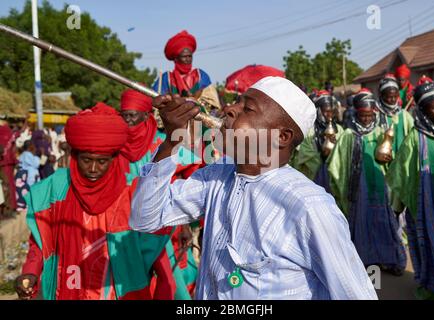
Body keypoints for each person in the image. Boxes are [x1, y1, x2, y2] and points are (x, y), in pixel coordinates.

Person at [130, 76, 377, 300]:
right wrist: (172, 142)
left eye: (247, 109)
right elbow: (145, 218)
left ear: (282, 137)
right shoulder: (217, 176)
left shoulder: (308, 207)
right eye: (236, 102)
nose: (228, 110)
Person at [15, 103, 175, 300]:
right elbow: (41, 238)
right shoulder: (56, 189)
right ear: (74, 157)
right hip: (68, 289)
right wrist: (31, 271)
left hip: (118, 291)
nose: (92, 169)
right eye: (86, 160)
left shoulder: (131, 193)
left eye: (101, 162)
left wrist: (165, 286)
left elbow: (155, 250)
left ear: (114, 159)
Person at [120, 88, 197, 299]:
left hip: (165, 228)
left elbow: (186, 179)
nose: (127, 120)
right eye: (123, 115)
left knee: (171, 282)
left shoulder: (165, 142)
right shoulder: (116, 144)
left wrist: (184, 227)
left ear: (146, 115)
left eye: (132, 115)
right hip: (125, 229)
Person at [327, 92, 406, 276]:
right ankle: (364, 261)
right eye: (363, 115)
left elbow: (390, 159)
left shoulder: (381, 132)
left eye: (370, 115)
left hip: (379, 185)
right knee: (361, 221)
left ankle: (389, 259)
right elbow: (336, 164)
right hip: (358, 189)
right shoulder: (348, 135)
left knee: (384, 221)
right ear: (356, 113)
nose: (366, 118)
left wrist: (389, 155)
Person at [386, 80, 434, 300]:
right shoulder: (415, 138)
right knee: (432, 251)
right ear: (422, 110)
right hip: (427, 208)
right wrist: (397, 206)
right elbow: (401, 175)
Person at [290, 90, 344, 193]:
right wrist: (322, 155)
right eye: (326, 111)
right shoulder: (309, 130)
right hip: (312, 179)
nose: (330, 115)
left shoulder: (339, 130)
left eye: (332, 112)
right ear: (318, 110)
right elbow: (304, 155)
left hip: (334, 179)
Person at [152, 30, 211, 98]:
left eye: (190, 56)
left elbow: (210, 99)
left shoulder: (200, 75)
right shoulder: (167, 77)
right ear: (176, 59)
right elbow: (155, 97)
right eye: (184, 57)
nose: (188, 59)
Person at [376, 75, 414, 156]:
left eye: (395, 96)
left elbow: (413, 134)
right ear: (382, 96)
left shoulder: (404, 115)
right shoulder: (376, 115)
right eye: (389, 97)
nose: (393, 100)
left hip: (402, 159)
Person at [15, 140, 41, 211]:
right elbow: (36, 164)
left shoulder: (24, 154)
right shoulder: (27, 154)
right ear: (30, 146)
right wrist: (36, 156)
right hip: (30, 175)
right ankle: (29, 205)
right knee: (31, 189)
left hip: (29, 174)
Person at [0, 119, 18, 214]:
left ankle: (6, 208)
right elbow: (13, 148)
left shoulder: (3, 133)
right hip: (8, 163)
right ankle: (11, 207)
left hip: (3, 162)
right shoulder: (9, 134)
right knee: (9, 184)